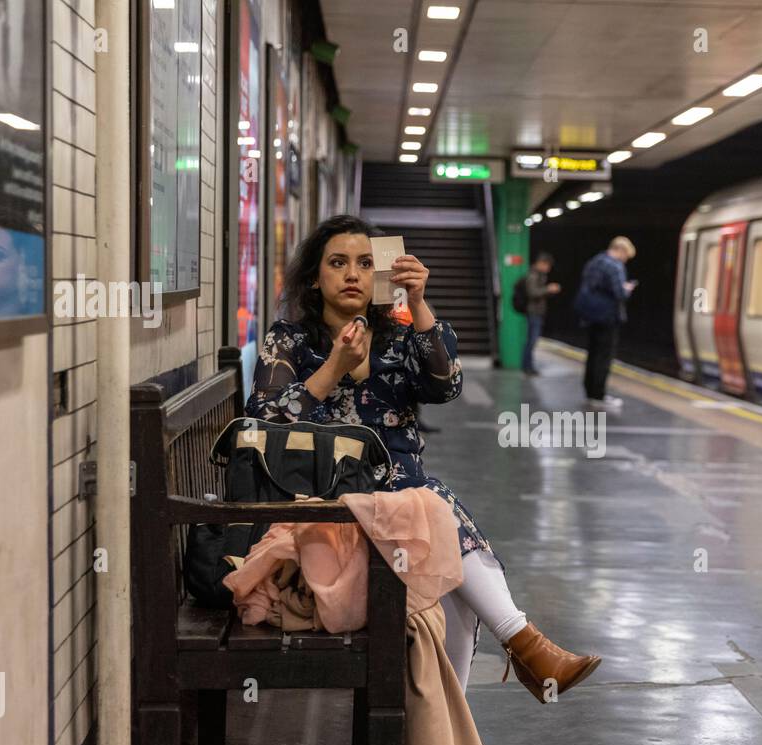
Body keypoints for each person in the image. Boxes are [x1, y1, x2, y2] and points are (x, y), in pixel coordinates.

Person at [246, 215, 601, 700]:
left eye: (366, 263)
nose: (353, 273)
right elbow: (265, 422)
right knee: (436, 508)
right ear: (315, 277)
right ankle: (520, 647)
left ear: (382, 276)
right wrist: (333, 369)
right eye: (338, 262)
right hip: (328, 510)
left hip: (404, 511)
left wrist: (417, 303)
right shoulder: (288, 339)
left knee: (449, 563)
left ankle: (456, 709)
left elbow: (446, 383)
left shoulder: (395, 336)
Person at [574, 236, 636, 409]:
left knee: (592, 354)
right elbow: (620, 294)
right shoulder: (615, 266)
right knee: (604, 356)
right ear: (621, 250)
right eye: (626, 256)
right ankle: (599, 395)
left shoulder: (594, 262)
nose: (625, 260)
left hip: (590, 315)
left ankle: (589, 392)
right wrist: (627, 289)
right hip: (608, 316)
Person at [521, 252, 560, 375]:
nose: (548, 269)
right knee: (532, 340)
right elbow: (532, 293)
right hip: (533, 312)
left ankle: (528, 366)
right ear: (541, 263)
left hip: (536, 312)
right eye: (547, 266)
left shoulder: (539, 275)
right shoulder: (533, 275)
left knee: (532, 340)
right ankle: (528, 367)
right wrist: (548, 289)